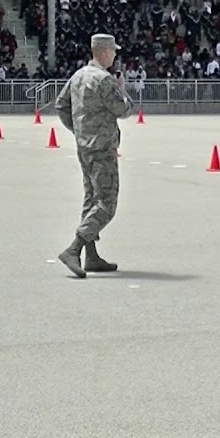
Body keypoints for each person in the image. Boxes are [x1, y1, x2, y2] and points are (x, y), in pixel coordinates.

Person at [53, 33, 135, 279]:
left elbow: (60, 105)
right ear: (105, 52)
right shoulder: (104, 80)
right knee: (106, 203)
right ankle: (74, 248)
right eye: (113, 51)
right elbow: (124, 110)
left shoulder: (79, 76)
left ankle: (91, 255)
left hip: (85, 146)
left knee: (91, 198)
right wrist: (122, 90)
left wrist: (78, 130)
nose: (115, 55)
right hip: (101, 148)